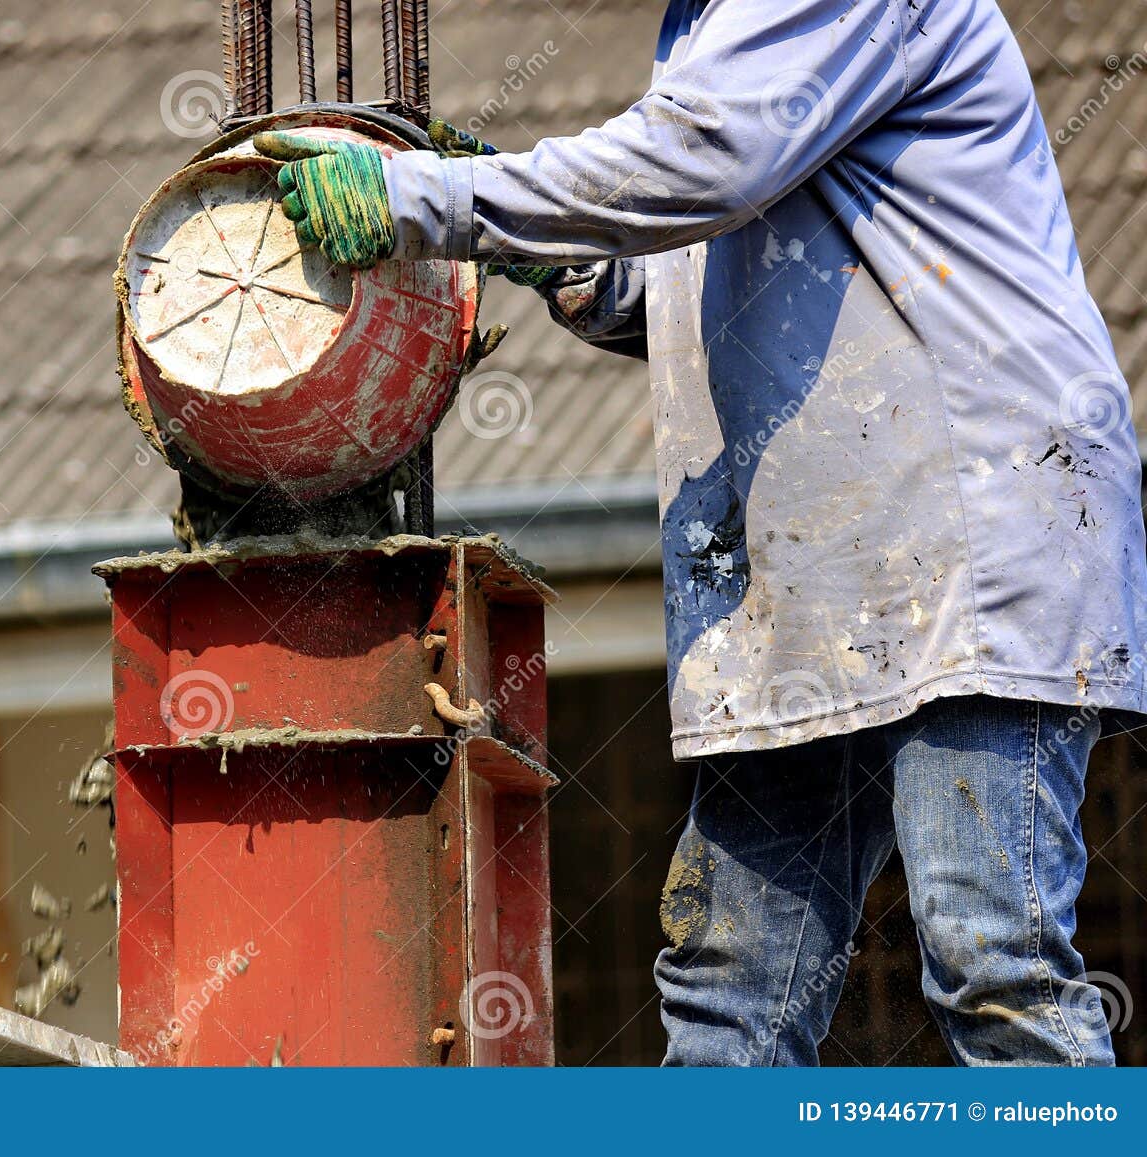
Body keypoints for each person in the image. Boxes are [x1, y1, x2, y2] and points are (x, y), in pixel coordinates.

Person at [254, 0, 1146, 1066]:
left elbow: (700, 164)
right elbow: (697, 269)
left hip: (969, 532)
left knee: (992, 962)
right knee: (729, 989)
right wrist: (561, 260)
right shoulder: (713, 32)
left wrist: (419, 198)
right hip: (815, 571)